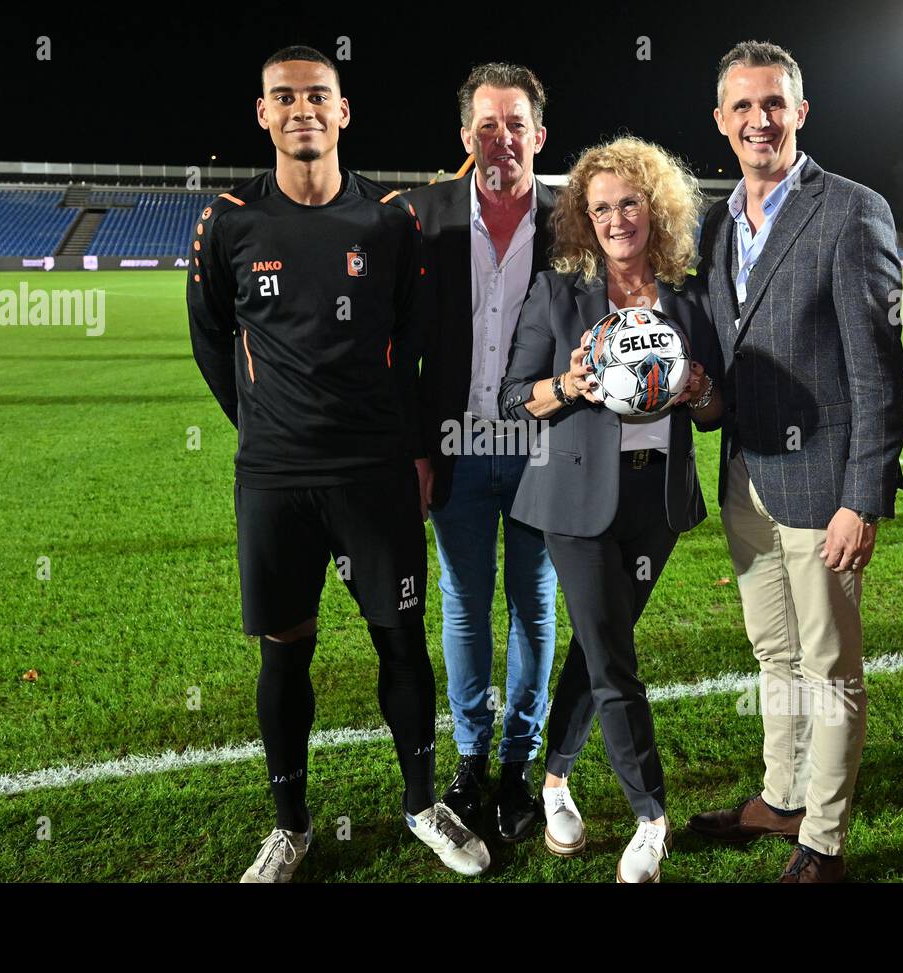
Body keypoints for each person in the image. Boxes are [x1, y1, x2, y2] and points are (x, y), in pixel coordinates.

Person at [186, 45, 489, 883]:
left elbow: (419, 341)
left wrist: (413, 446)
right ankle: (291, 827)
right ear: (263, 114)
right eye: (284, 97)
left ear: (343, 112)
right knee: (285, 652)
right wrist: (261, 426)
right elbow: (212, 338)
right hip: (276, 483)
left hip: (376, 475)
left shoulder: (391, 220)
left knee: (400, 642)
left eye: (318, 95)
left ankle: (424, 802)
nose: (302, 109)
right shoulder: (227, 220)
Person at [688, 40, 903, 883]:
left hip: (824, 485)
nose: (759, 119)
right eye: (742, 106)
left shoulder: (854, 210)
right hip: (746, 476)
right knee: (773, 654)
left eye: (774, 102)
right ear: (721, 120)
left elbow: (879, 373)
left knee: (829, 665)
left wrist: (864, 495)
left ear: (801, 111)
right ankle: (781, 794)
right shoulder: (718, 221)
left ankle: (822, 837)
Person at [499, 136, 721, 883]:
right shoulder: (559, 294)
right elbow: (513, 397)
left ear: (654, 208)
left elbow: (718, 407)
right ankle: (650, 816)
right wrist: (569, 387)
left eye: (629, 202)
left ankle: (554, 779)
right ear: (582, 219)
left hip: (655, 500)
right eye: (600, 207)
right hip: (573, 501)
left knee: (600, 643)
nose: (617, 218)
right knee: (616, 659)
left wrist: (699, 392)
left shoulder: (687, 298)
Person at [408, 64, 559, 842]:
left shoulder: (571, 222)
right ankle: (470, 761)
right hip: (457, 446)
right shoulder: (423, 215)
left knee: (534, 604)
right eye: (486, 125)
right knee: (465, 603)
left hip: (542, 449)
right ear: (467, 138)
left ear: (540, 134)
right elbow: (398, 344)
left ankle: (516, 768)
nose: (502, 138)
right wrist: (416, 445)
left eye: (516, 123)